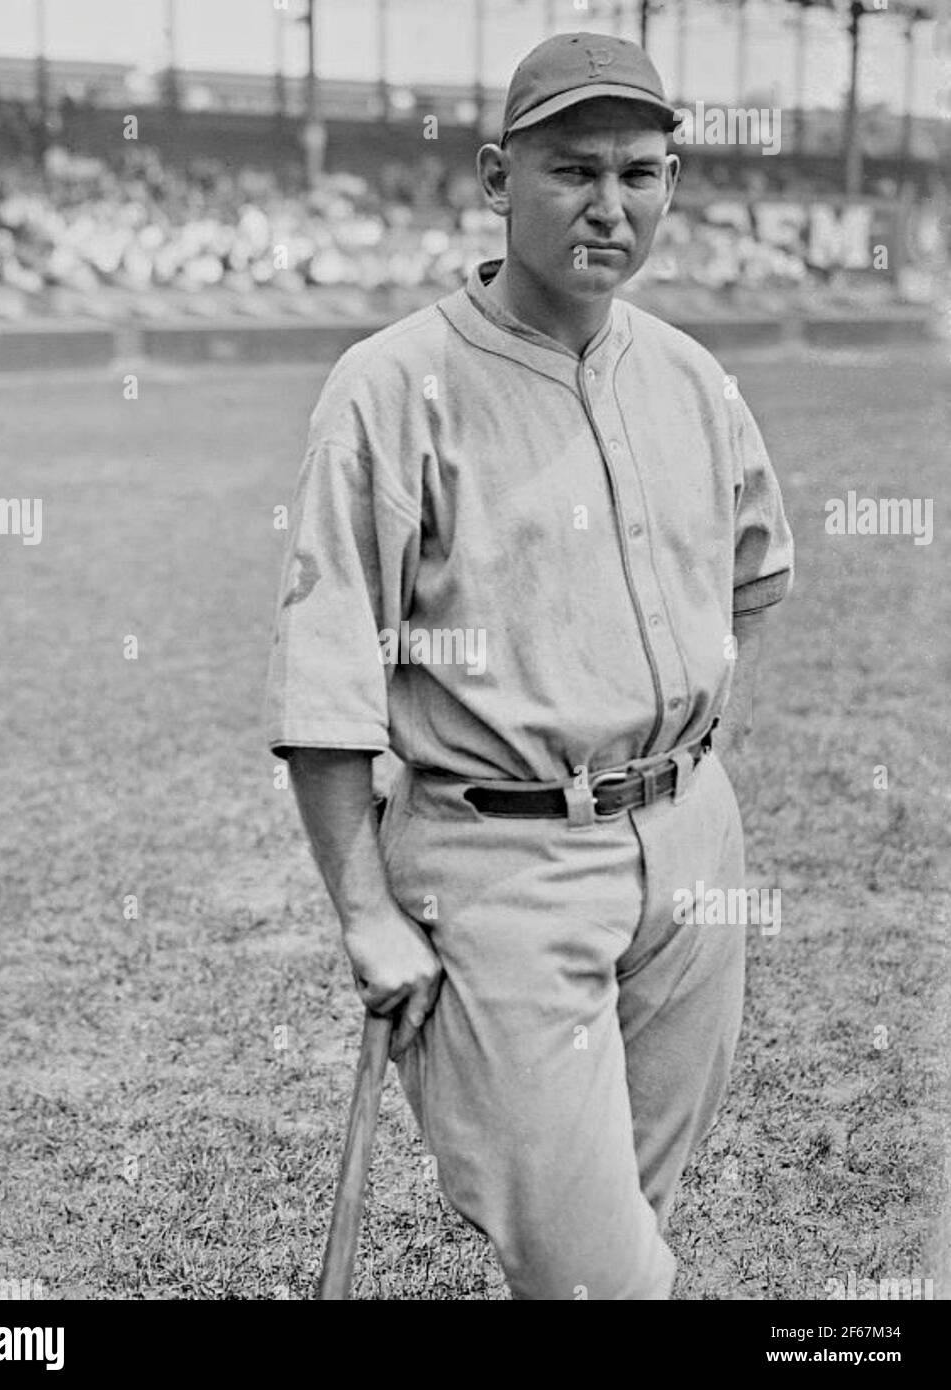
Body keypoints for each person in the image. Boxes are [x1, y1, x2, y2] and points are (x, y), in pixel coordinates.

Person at [265, 32, 794, 1300]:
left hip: (689, 857)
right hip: (501, 867)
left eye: (641, 172)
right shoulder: (392, 386)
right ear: (500, 177)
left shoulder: (690, 377)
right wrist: (366, 914)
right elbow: (326, 671)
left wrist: (680, 768)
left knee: (625, 1227)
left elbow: (754, 578)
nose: (610, 206)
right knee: (602, 1276)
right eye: (573, 170)